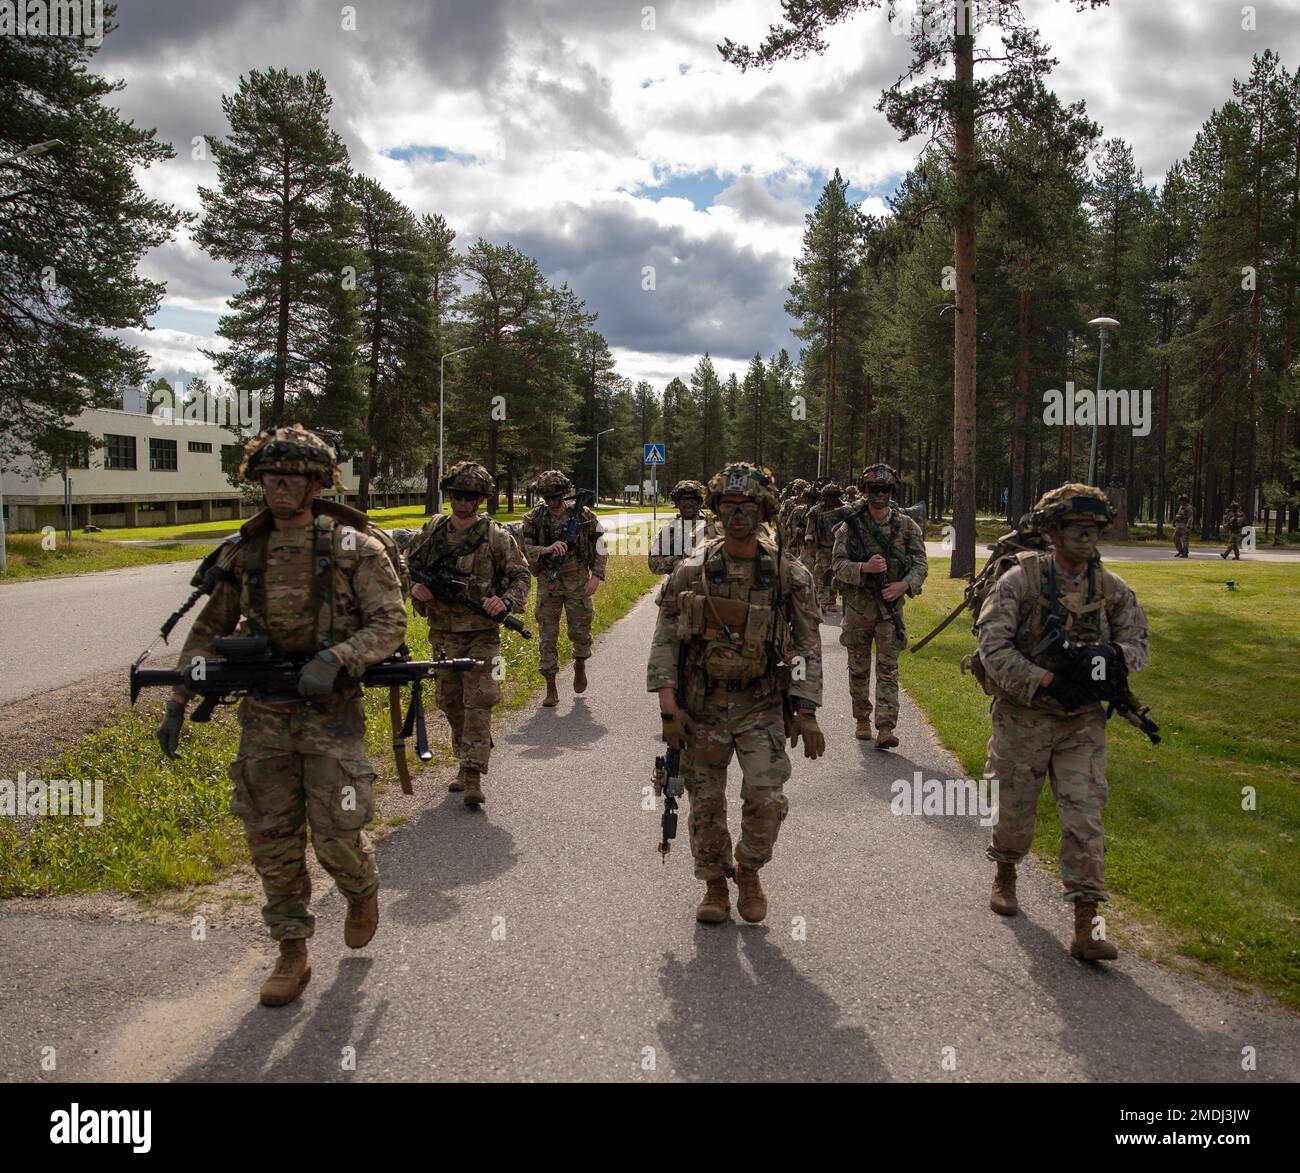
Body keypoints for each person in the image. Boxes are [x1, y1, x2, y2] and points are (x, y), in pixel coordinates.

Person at [156, 426, 408, 1006]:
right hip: (264, 716)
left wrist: (339, 657)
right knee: (270, 838)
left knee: (336, 833)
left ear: (318, 484)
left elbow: (390, 623)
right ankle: (291, 951)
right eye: (271, 479)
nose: (281, 489)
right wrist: (177, 701)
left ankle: (360, 886)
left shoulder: (355, 548)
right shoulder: (245, 551)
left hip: (330, 713)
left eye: (293, 479)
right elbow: (207, 631)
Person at [974, 483, 1150, 962]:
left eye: (1092, 529)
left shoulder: (1111, 589)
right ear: (1053, 531)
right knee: (1014, 811)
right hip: (1024, 715)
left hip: (1082, 722)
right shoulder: (1020, 581)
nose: (1084, 537)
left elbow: (1138, 646)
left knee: (1084, 818)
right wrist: (1047, 678)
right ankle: (1006, 872)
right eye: (1074, 528)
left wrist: (1106, 656)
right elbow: (993, 648)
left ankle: (1086, 926)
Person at [648, 462, 824, 925]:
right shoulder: (693, 570)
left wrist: (805, 708)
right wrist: (668, 707)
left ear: (763, 510)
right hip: (703, 704)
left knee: (766, 796)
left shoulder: (788, 574)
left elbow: (807, 643)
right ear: (717, 511)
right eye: (729, 505)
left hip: (762, 702)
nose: (738, 514)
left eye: (747, 506)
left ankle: (747, 869)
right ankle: (712, 884)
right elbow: (665, 637)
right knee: (705, 800)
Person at [406, 461, 531, 807]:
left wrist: (503, 601)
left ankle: (472, 774)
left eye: (470, 497)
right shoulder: (432, 531)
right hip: (443, 631)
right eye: (457, 496)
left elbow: (521, 576)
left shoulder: (496, 536)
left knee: (479, 698)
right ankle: (469, 752)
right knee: (448, 700)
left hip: (481, 633)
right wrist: (416, 587)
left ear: (480, 500)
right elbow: (407, 567)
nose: (462, 503)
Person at [830, 463, 928, 748]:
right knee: (858, 667)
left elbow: (920, 563)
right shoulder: (849, 525)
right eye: (874, 489)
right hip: (858, 609)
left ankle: (885, 726)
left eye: (885, 489)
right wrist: (864, 568)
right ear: (865, 490)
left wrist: (904, 585)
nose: (880, 494)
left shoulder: (906, 526)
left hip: (890, 609)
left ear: (892, 490)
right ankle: (862, 719)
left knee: (888, 668)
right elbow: (837, 565)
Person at [519, 470, 606, 706]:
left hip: (578, 579)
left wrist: (596, 577)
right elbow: (524, 550)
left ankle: (580, 661)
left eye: (556, 497)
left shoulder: (584, 516)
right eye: (547, 498)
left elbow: (599, 546)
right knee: (547, 634)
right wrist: (546, 549)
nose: (552, 503)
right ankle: (551, 686)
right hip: (549, 582)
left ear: (565, 494)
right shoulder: (533, 518)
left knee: (580, 629)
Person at [648, 479, 720, 576]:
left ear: (700, 503)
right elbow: (653, 563)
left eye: (692, 499)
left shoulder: (714, 528)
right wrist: (676, 561)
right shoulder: (670, 531)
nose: (688, 503)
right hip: (679, 585)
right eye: (684, 500)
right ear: (677, 503)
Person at [806, 482, 844, 614]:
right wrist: (810, 547)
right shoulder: (816, 511)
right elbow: (810, 531)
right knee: (820, 574)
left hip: (839, 548)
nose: (832, 499)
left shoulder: (844, 509)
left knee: (834, 575)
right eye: (829, 496)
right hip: (822, 548)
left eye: (834, 496)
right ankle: (821, 600)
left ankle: (831, 601)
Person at [1172, 494, 1193, 558]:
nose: (1180, 502)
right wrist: (1175, 522)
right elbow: (1178, 515)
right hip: (1179, 525)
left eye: (1182, 500)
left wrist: (1188, 526)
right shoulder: (1181, 507)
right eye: (1180, 500)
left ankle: (1185, 553)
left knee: (1185, 540)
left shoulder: (1189, 508)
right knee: (1175, 538)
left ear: (1185, 501)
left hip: (1185, 526)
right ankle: (1180, 551)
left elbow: (1190, 517)